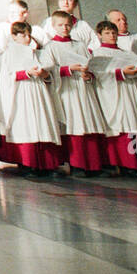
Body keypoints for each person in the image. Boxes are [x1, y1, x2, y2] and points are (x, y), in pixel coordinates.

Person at [90, 20, 137, 177]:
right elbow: (99, 75)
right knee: (127, 128)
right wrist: (121, 73)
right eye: (107, 33)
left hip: (134, 92)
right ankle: (130, 165)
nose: (111, 36)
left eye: (113, 33)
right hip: (116, 94)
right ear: (99, 35)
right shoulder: (98, 53)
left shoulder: (128, 53)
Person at [0, 22, 66, 177]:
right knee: (26, 125)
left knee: (43, 124)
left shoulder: (38, 52)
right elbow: (6, 78)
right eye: (22, 35)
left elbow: (50, 76)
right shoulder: (9, 53)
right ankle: (28, 164)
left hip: (39, 91)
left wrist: (44, 75)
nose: (27, 38)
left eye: (29, 34)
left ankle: (47, 163)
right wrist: (26, 73)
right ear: (14, 36)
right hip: (21, 94)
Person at [44, 11, 108, 177]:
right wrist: (67, 69)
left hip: (84, 89)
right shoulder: (50, 47)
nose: (64, 28)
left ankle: (94, 166)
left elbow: (92, 66)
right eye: (60, 25)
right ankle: (77, 165)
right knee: (75, 125)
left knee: (90, 124)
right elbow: (48, 72)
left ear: (72, 25)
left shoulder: (80, 45)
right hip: (67, 90)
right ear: (53, 26)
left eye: (67, 25)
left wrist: (88, 75)